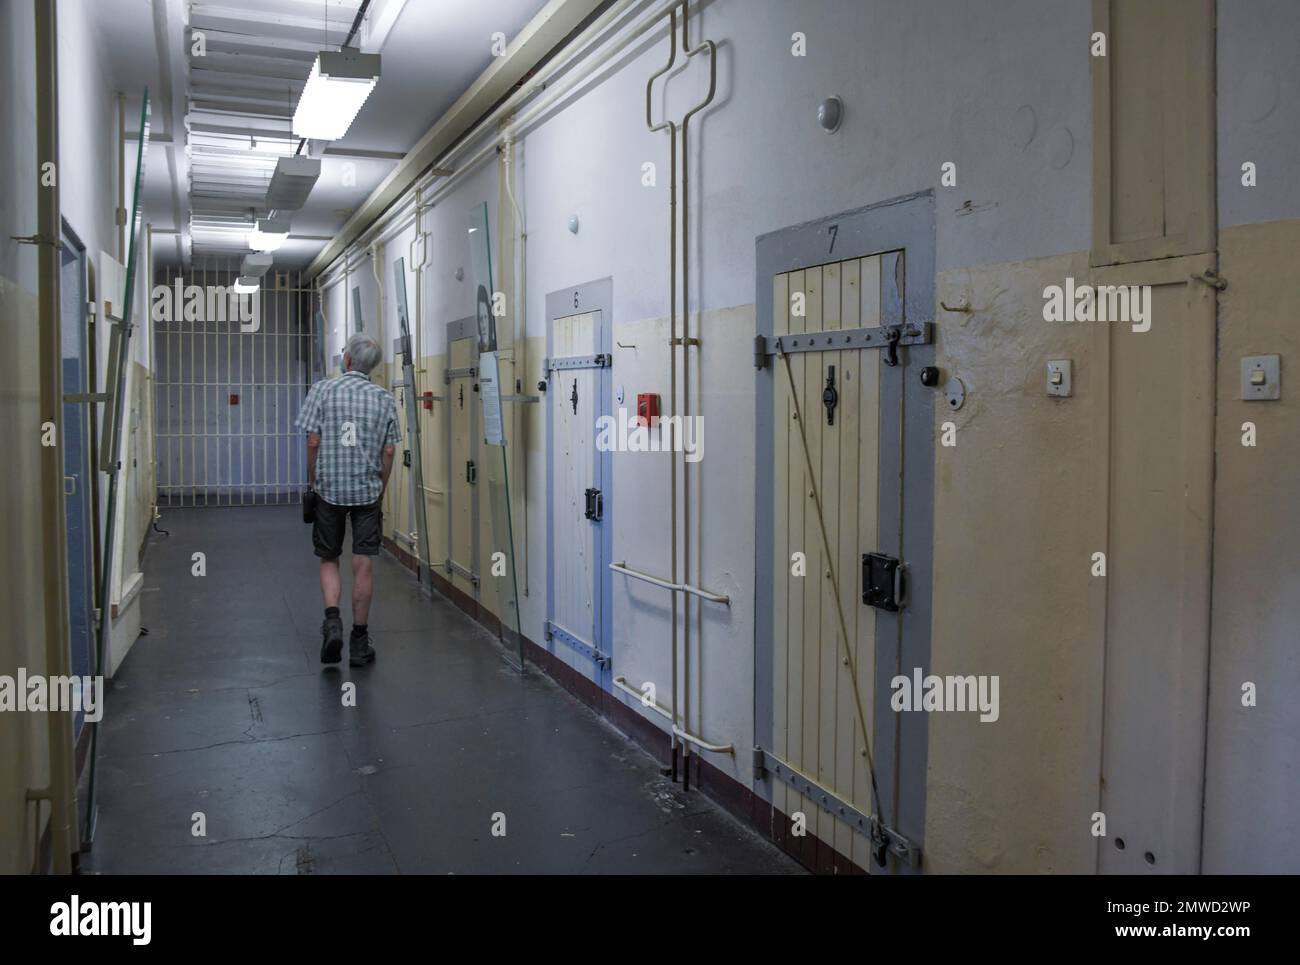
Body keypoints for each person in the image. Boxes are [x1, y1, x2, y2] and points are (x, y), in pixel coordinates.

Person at [295, 333, 400, 667]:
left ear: (348, 360)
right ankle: (359, 642)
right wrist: (380, 488)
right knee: (363, 562)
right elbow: (389, 450)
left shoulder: (322, 390)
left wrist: (314, 481)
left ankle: (332, 624)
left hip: (330, 489)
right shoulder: (384, 398)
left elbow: (313, 441)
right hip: (367, 491)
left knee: (329, 557)